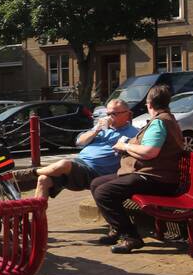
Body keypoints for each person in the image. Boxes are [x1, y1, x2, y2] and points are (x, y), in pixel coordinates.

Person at [89, 84, 184, 253]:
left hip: (157, 179)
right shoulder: (167, 118)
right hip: (154, 174)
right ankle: (117, 228)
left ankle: (131, 236)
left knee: (104, 193)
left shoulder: (159, 123)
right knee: (97, 183)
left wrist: (125, 146)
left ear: (149, 104)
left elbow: (149, 152)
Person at [34, 99, 139, 199]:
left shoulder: (134, 133)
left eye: (114, 114)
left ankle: (31, 173)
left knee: (64, 164)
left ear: (127, 114)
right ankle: (38, 215)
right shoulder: (102, 128)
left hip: (96, 171)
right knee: (43, 180)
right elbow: (79, 142)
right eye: (108, 114)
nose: (110, 117)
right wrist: (96, 130)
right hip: (79, 165)